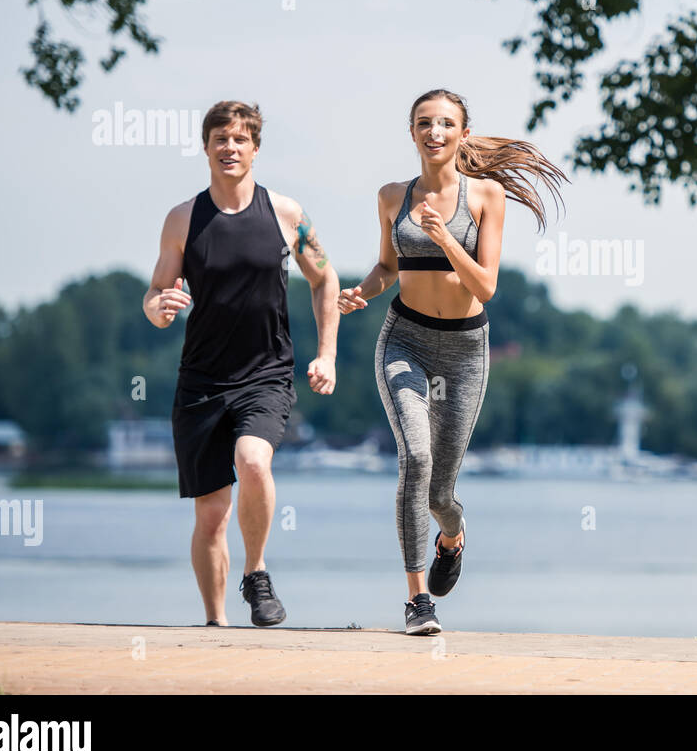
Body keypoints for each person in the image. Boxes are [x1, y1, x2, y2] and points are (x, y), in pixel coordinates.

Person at [338, 89, 567, 634]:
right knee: (415, 460)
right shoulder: (392, 195)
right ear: (412, 133)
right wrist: (362, 292)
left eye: (445, 124)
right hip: (405, 341)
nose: (434, 132)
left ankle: (452, 534)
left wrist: (445, 237)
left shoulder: (486, 195)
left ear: (462, 134)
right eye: (424, 123)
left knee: (441, 490)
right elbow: (388, 267)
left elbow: (485, 286)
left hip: (464, 349)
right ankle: (419, 602)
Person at [144, 100, 339, 627]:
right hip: (201, 382)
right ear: (205, 147)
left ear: (255, 148)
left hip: (266, 373)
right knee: (211, 517)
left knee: (254, 460)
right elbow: (156, 294)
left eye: (240, 139)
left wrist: (327, 354)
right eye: (219, 139)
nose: (229, 148)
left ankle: (256, 572)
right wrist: (159, 308)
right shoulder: (183, 219)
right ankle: (216, 624)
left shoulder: (286, 213)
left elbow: (325, 278)